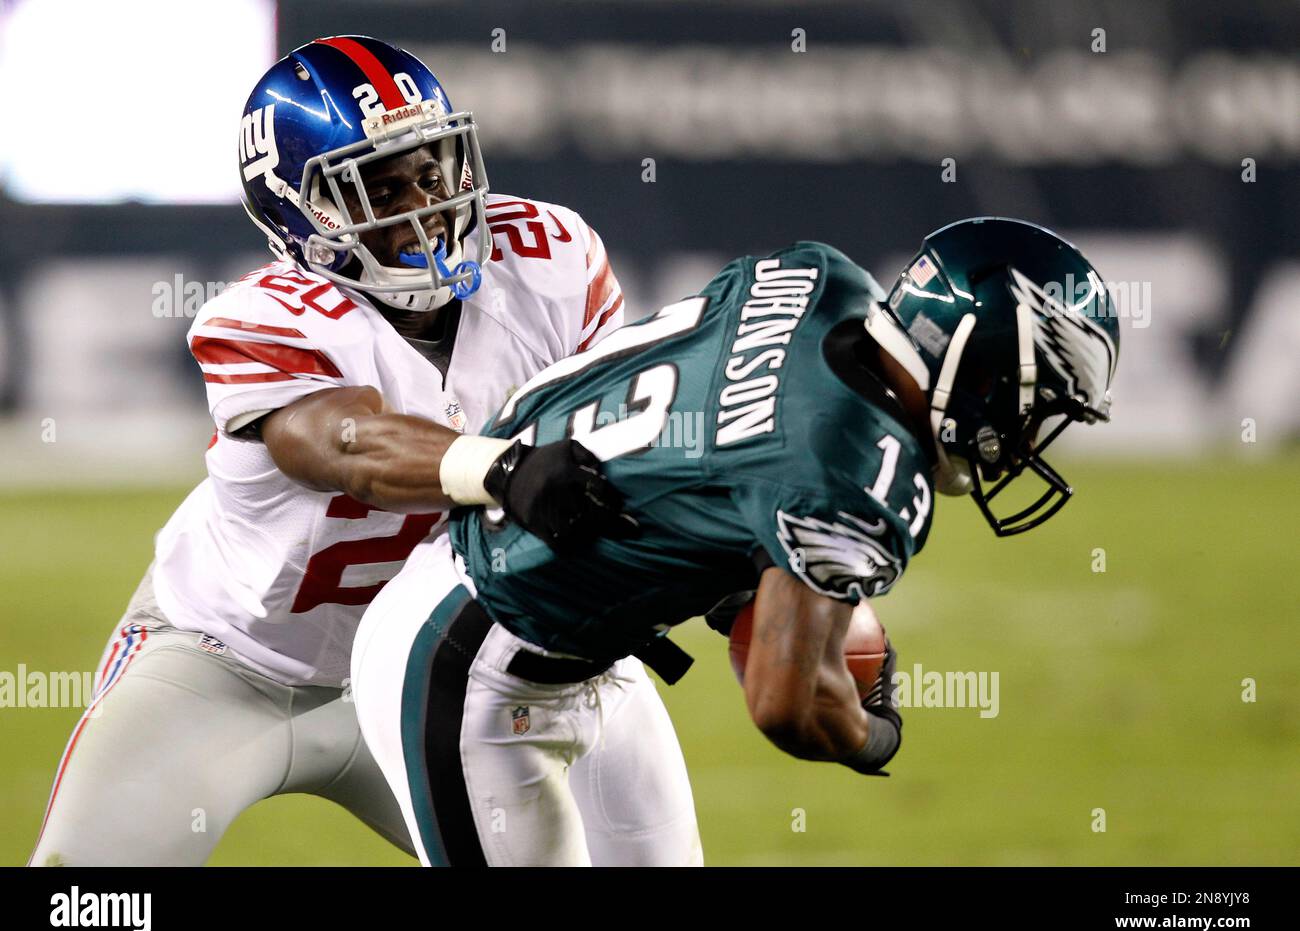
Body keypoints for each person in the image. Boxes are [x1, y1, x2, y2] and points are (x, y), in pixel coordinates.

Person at [29, 35, 669, 866]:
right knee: (86, 893)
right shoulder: (261, 316)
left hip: (438, 669)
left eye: (431, 169)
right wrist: (504, 470)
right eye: (378, 184)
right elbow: (343, 443)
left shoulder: (547, 259)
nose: (424, 205)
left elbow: (635, 450)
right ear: (297, 210)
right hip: (227, 669)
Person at [351, 217, 1121, 866]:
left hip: (577, 640)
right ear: (978, 361)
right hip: (470, 659)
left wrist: (737, 560)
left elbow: (709, 438)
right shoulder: (863, 477)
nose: (1026, 436)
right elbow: (785, 703)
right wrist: (871, 734)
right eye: (1035, 401)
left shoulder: (820, 277)